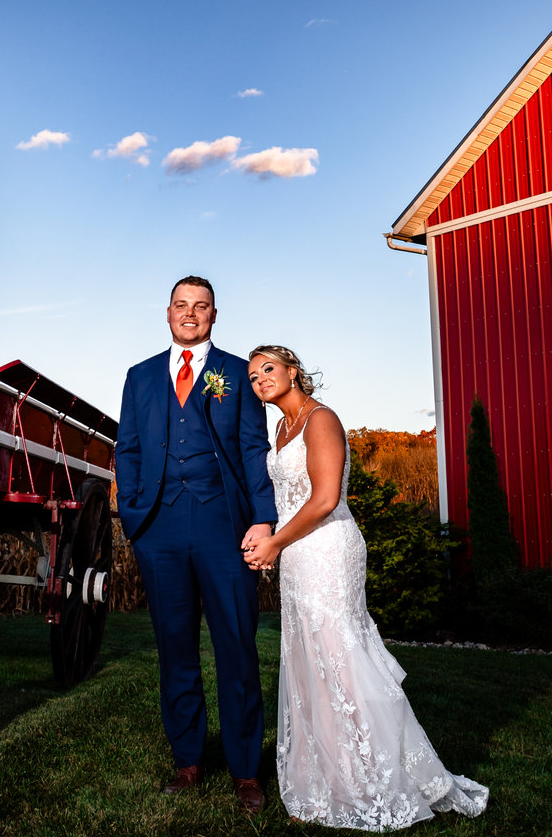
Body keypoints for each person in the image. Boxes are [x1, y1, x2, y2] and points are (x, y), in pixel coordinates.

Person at [241, 345, 490, 830]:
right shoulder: (280, 428)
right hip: (297, 555)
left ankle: (383, 780)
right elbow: (286, 498)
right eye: (252, 377)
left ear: (294, 372)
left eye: (268, 369)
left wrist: (274, 544)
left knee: (345, 662)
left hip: (328, 550)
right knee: (312, 664)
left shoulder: (321, 420)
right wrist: (265, 532)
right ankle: (331, 780)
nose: (260, 380)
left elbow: (325, 498)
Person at [114, 276, 278, 814]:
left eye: (200, 306)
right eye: (181, 305)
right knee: (175, 648)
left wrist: (264, 519)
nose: (190, 313)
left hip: (223, 528)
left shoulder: (234, 372)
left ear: (214, 314)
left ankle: (245, 769)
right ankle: (188, 758)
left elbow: (254, 449)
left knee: (237, 647)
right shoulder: (139, 377)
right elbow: (129, 449)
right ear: (167, 314)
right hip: (159, 529)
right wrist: (136, 516)